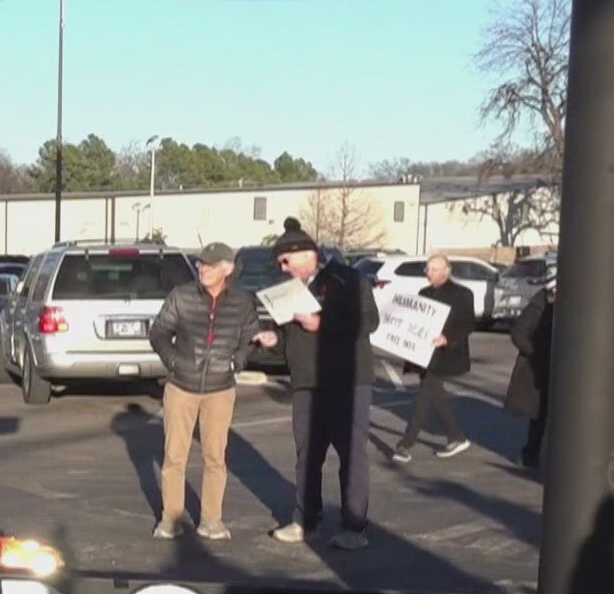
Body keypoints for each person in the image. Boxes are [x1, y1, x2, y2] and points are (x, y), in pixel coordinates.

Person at [146, 242, 273, 540]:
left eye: (210, 265)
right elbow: (159, 333)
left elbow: (249, 339)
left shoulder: (242, 303)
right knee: (174, 456)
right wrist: (175, 362)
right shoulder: (182, 296)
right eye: (201, 264)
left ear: (226, 269)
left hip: (220, 389)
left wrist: (236, 362)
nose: (203, 269)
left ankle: (211, 520)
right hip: (181, 387)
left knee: (215, 457)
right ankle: (171, 519)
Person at [267, 218, 380, 550]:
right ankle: (306, 519)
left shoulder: (348, 279)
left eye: (285, 261)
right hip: (306, 383)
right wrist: (271, 340)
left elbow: (368, 321)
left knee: (351, 455)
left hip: (347, 381)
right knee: (307, 455)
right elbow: (289, 337)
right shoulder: (291, 291)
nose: (284, 269)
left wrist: (322, 323)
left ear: (306, 254)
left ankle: (354, 526)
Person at [505, 278, 614, 470]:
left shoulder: (570, 293)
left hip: (571, 366)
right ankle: (602, 459)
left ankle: (547, 454)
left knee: (556, 412)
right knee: (601, 416)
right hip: (601, 369)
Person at [392, 254, 477, 463]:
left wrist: (447, 338)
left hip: (446, 353)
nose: (428, 273)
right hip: (424, 353)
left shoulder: (462, 294)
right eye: (427, 269)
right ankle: (457, 437)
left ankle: (405, 444)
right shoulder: (424, 293)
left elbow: (468, 324)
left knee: (424, 397)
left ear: (446, 271)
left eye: (434, 269)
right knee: (435, 396)